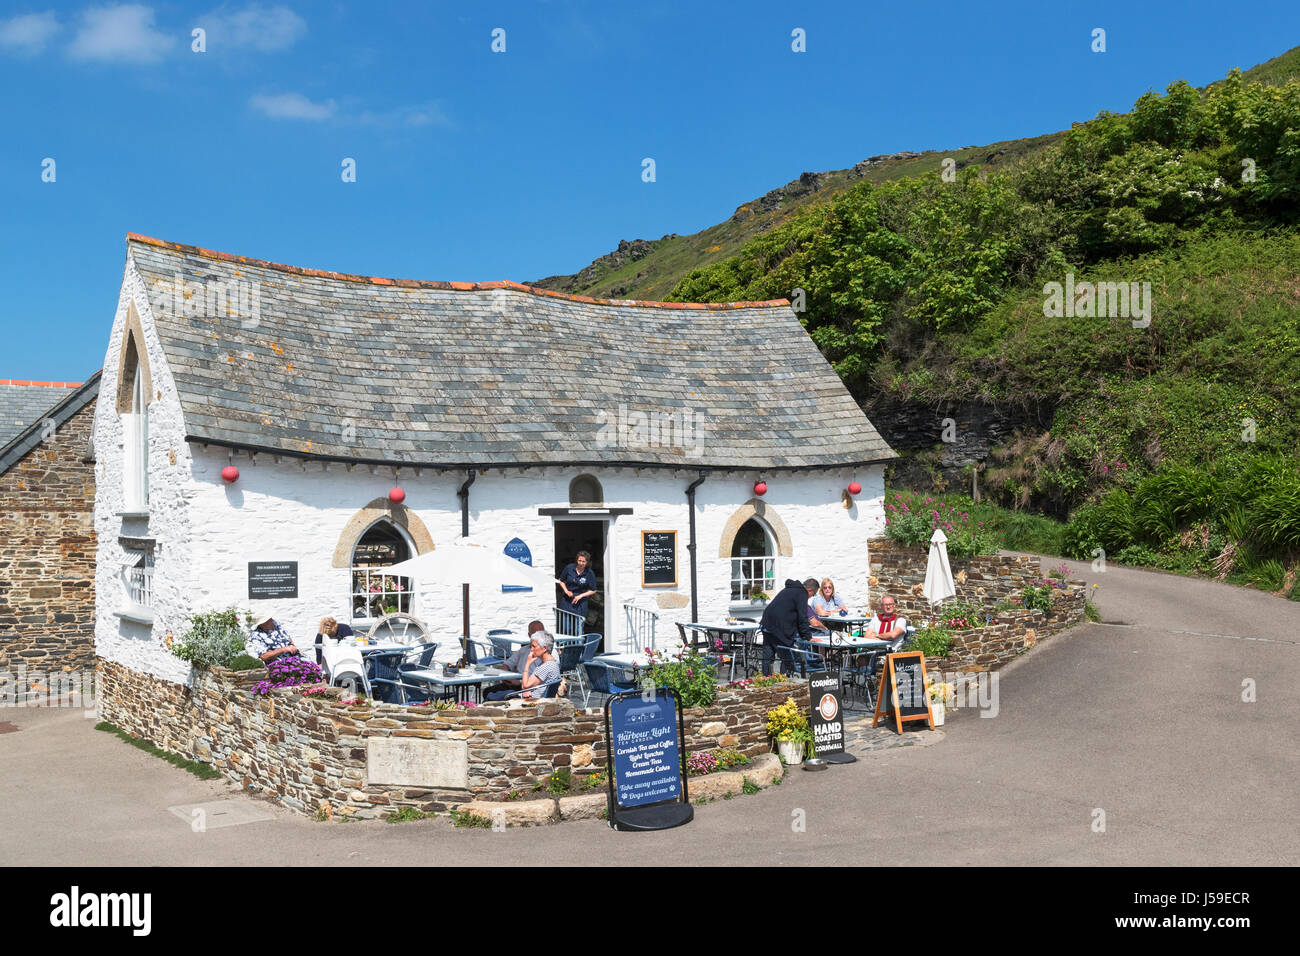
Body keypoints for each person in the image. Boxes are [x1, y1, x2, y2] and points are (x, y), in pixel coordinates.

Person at [758, 578, 817, 675]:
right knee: (787, 657)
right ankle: (785, 681)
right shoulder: (802, 593)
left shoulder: (789, 589)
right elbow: (802, 616)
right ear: (810, 590)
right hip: (779, 627)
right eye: (813, 594)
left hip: (767, 623)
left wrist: (803, 634)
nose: (811, 597)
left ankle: (766, 680)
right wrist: (808, 637)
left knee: (768, 657)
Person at [486, 630, 559, 701]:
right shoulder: (551, 663)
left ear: (544, 648)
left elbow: (525, 686)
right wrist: (527, 689)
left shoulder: (546, 666)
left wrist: (527, 663)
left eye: (534, 646)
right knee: (491, 693)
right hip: (532, 698)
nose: (531, 649)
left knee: (491, 696)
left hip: (529, 701)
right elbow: (531, 684)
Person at [483, 620, 545, 695]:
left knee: (493, 696)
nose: (538, 637)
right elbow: (506, 665)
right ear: (529, 635)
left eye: (541, 634)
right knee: (487, 691)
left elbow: (541, 679)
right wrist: (508, 678)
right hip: (516, 683)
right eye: (535, 634)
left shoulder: (546, 653)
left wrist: (519, 682)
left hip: (529, 688)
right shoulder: (524, 650)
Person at [556, 550, 597, 632]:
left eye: (583, 561)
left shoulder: (589, 573)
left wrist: (580, 596)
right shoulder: (569, 568)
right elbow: (561, 581)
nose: (581, 563)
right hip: (567, 601)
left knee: (578, 628)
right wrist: (566, 591)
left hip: (580, 604)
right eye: (579, 560)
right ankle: (567, 644)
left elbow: (593, 590)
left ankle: (579, 644)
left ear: (587, 562)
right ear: (577, 560)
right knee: (566, 628)